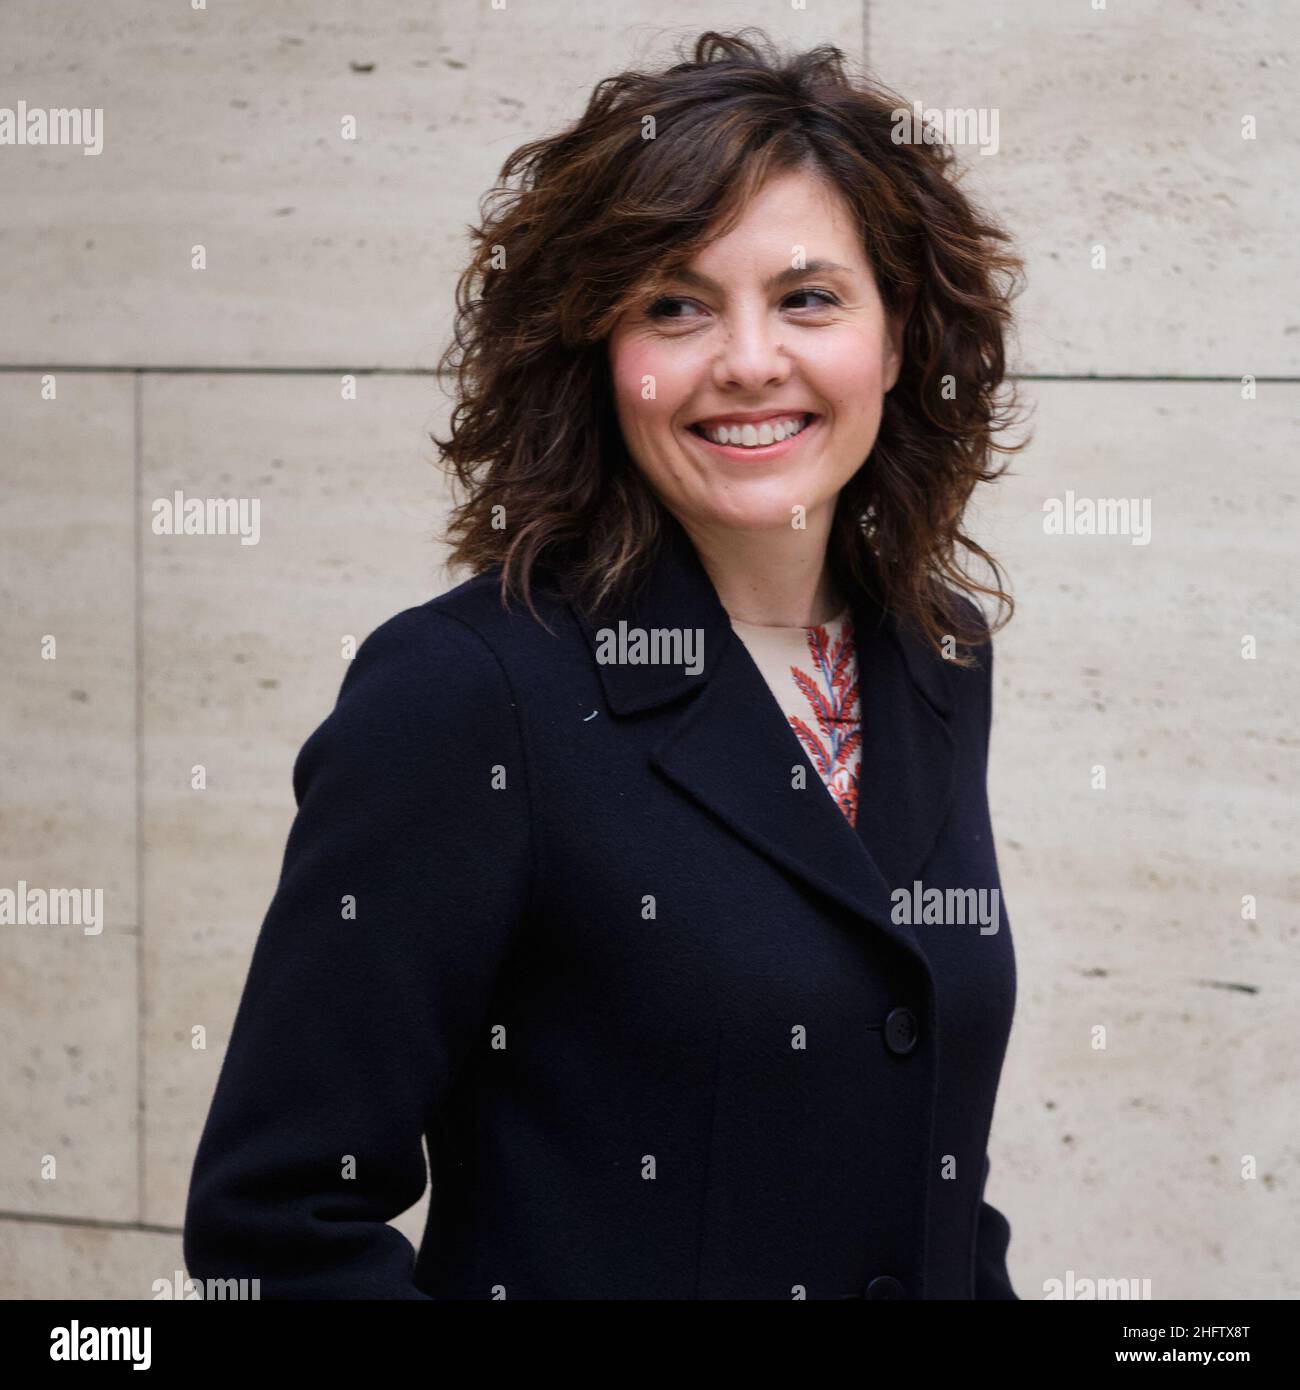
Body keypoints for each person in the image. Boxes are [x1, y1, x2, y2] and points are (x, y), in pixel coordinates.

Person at [183, 28, 1028, 1300]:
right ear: (595, 354)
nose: (749, 360)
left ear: (896, 338)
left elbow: (928, 1168)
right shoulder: (466, 694)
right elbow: (280, 1231)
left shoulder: (933, 652)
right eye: (674, 306)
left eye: (807, 297)